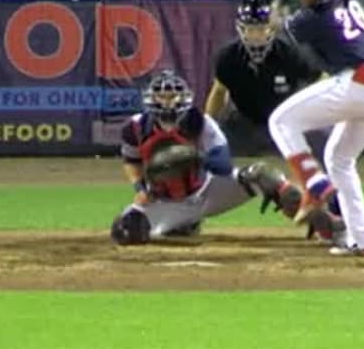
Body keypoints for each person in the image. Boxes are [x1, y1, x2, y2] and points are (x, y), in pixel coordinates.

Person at [268, 0, 364, 256]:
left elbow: (276, 25)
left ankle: (313, 183)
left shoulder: (312, 17)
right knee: (339, 160)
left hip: (357, 84)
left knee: (281, 121)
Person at [202, 0, 340, 235]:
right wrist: (208, 131)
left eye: (261, 28)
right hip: (242, 122)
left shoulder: (291, 51)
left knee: (329, 150)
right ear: (240, 29)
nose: (256, 35)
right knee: (204, 154)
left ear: (271, 28)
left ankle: (334, 213)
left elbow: (323, 81)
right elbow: (218, 93)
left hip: (286, 123)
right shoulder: (227, 57)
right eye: (250, 29)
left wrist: (318, 114)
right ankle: (188, 210)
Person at [110, 69, 297, 244]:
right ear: (152, 98)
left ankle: (311, 214)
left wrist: (192, 156)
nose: (168, 102)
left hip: (207, 192)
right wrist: (140, 188)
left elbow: (223, 164)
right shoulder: (135, 127)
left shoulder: (199, 121)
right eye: (162, 96)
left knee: (262, 174)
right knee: (125, 230)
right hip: (163, 199)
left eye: (173, 96)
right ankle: (181, 224)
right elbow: (131, 162)